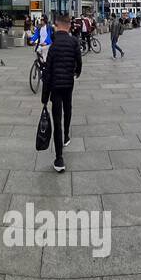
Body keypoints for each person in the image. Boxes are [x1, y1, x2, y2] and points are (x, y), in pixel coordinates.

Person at [41, 14, 82, 173]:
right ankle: (66, 136)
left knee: (56, 119)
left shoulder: (54, 46)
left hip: (55, 87)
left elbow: (47, 74)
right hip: (68, 84)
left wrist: (45, 97)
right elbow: (79, 62)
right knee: (68, 108)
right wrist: (76, 72)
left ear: (57, 26)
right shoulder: (74, 42)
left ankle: (59, 158)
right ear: (69, 26)